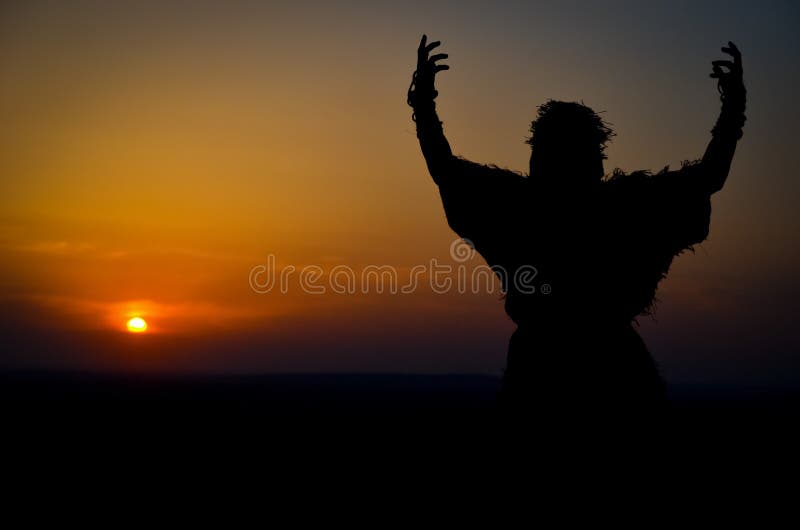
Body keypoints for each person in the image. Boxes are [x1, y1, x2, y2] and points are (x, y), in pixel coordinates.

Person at [408, 35, 746, 420]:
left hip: (557, 377)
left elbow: (445, 171)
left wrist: (424, 102)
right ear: (598, 164)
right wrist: (733, 112)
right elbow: (707, 179)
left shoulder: (523, 208)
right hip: (601, 374)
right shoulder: (621, 207)